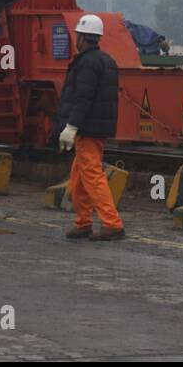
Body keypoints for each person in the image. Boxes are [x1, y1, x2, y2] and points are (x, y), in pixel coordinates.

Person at [54, 14, 125, 240]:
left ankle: (112, 223)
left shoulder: (86, 62)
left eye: (77, 36)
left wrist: (71, 126)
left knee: (92, 174)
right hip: (98, 127)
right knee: (79, 176)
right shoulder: (107, 60)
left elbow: (82, 98)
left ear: (82, 37)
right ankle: (83, 222)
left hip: (87, 129)